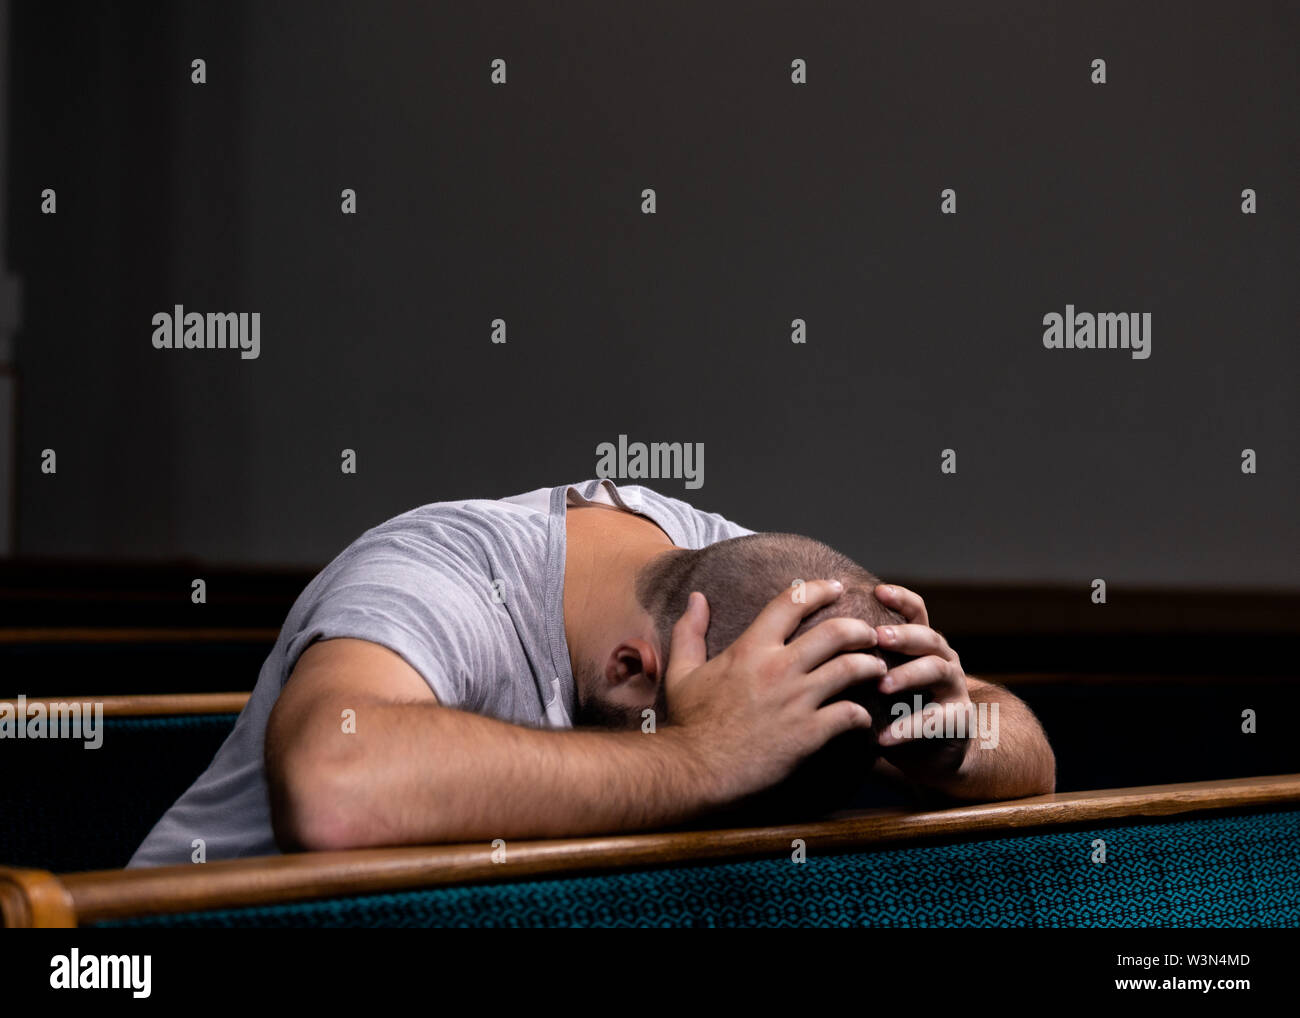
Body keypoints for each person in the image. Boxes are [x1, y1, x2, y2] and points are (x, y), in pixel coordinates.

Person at [128, 478, 1054, 867]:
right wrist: (704, 759)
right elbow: (337, 795)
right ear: (632, 672)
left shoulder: (725, 576)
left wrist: (949, 738)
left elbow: (1028, 756)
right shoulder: (436, 574)